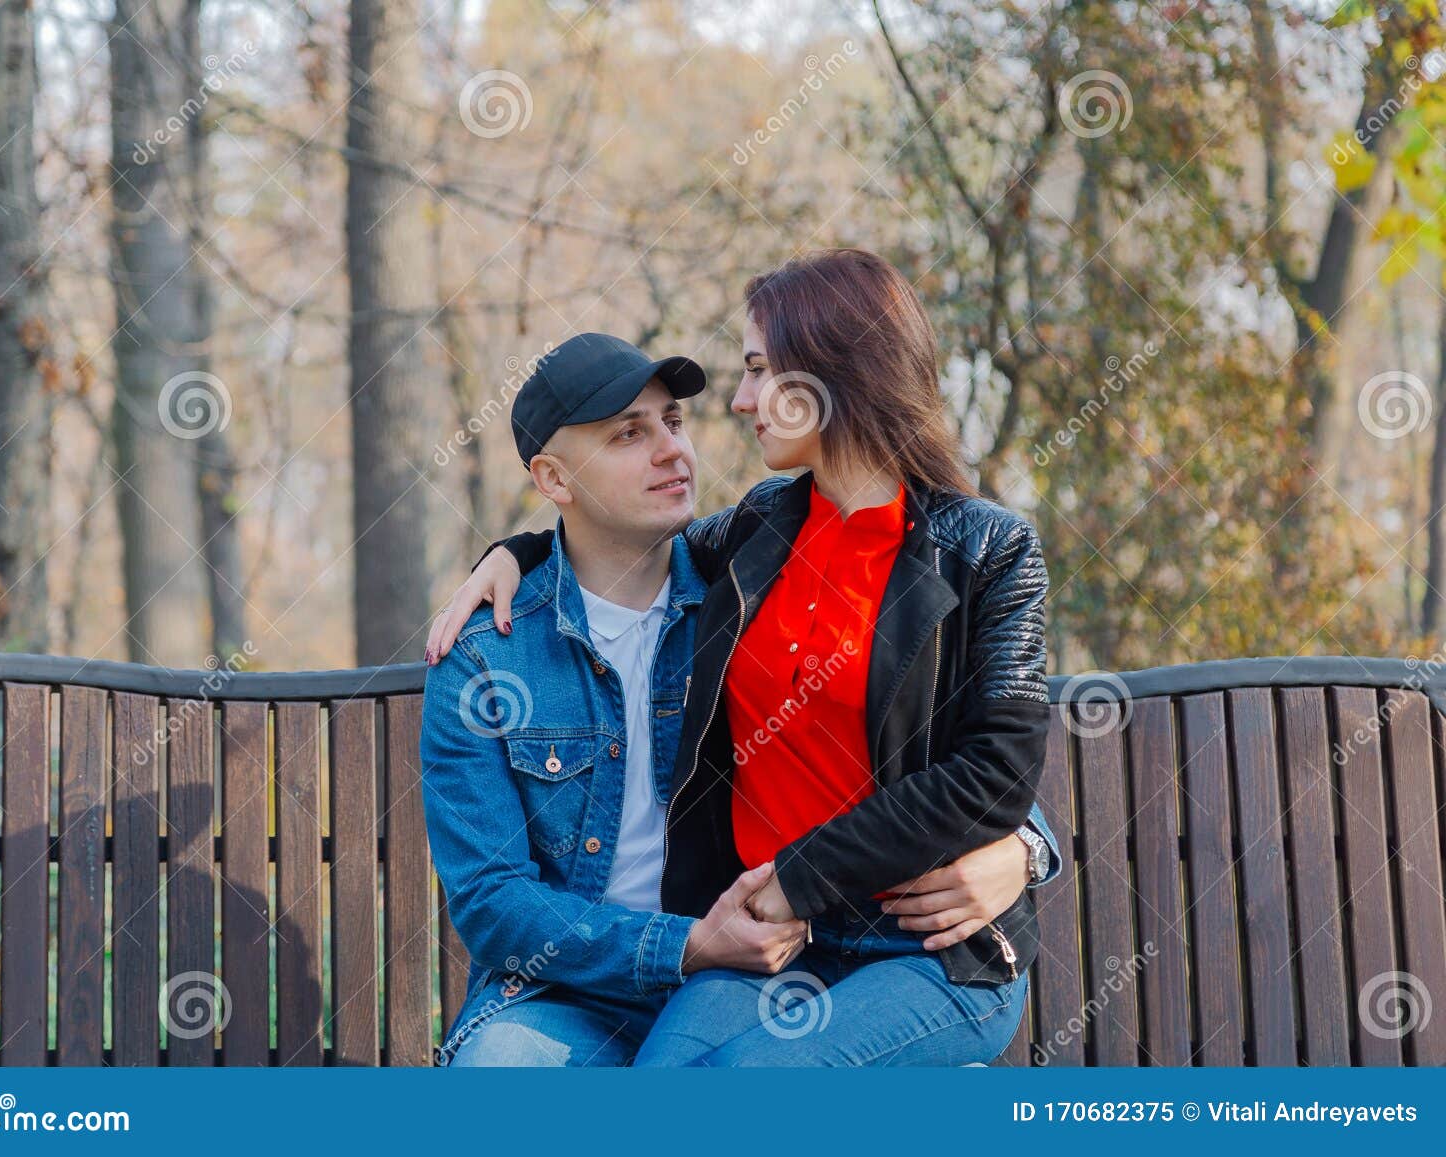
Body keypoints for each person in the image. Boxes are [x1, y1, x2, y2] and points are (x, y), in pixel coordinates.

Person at [424, 273, 1058, 1066]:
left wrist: (1026, 847)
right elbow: (493, 900)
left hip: (868, 944)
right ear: (554, 480)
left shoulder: (740, 578)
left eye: (673, 421)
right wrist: (515, 554)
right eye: (628, 434)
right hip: (682, 962)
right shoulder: (498, 650)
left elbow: (981, 762)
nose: (679, 445)